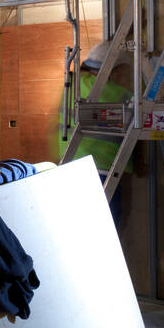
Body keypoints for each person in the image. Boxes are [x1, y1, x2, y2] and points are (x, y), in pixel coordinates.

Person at [59, 40, 134, 223]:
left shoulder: (72, 88)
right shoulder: (119, 94)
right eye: (122, 72)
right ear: (113, 70)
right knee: (108, 222)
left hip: (69, 165)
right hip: (101, 168)